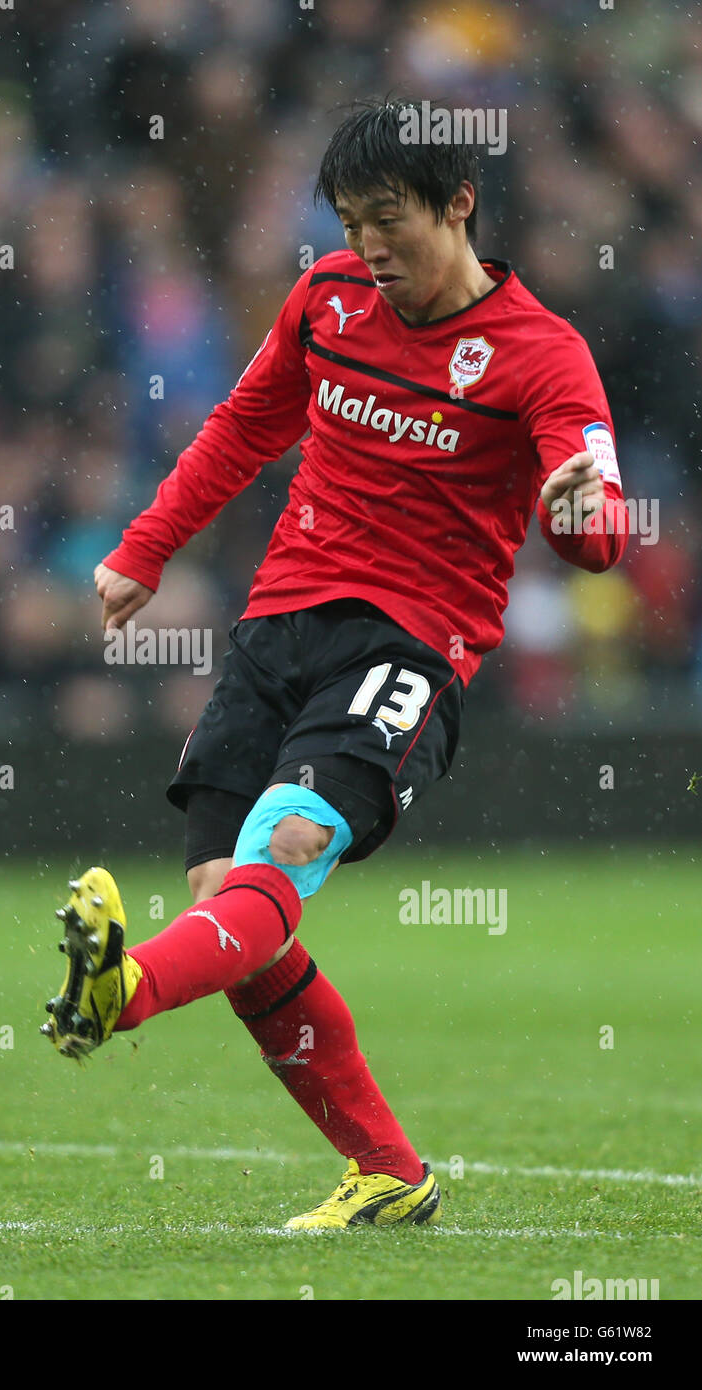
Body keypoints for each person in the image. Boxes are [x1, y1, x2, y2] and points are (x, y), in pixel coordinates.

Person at [40, 99, 628, 1230]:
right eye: (352, 220)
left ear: (458, 204)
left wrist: (581, 510)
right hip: (277, 631)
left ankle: (121, 996)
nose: (368, 246)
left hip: (409, 643)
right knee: (228, 909)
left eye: (389, 220)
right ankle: (390, 1172)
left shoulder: (545, 356)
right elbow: (244, 426)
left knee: (291, 842)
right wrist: (146, 550)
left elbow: (597, 535)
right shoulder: (328, 300)